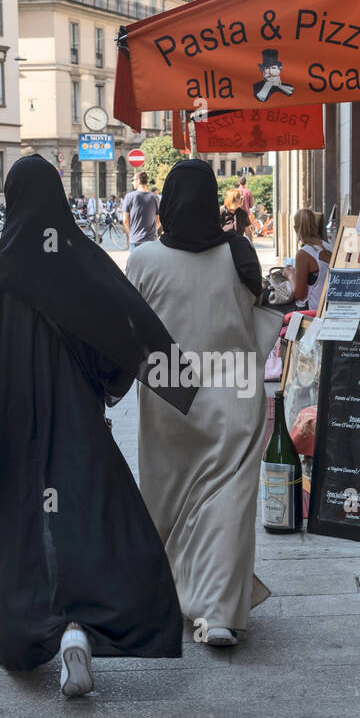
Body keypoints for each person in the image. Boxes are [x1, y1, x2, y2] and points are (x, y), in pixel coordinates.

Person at [0, 155, 196, 697]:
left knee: (17, 529)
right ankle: (78, 628)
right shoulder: (82, 263)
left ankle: (39, 630)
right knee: (88, 522)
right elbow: (127, 329)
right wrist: (146, 378)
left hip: (10, 435)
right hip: (76, 426)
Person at [126, 159, 268, 648]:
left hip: (169, 400)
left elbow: (127, 330)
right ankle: (219, 613)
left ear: (165, 205)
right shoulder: (239, 253)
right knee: (228, 502)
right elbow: (265, 303)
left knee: (169, 502)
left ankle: (173, 592)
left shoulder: (143, 260)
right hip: (235, 397)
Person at [291, 207, 331, 311]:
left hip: (313, 310)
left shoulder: (304, 254)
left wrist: (290, 275)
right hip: (327, 307)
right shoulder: (328, 247)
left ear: (295, 228)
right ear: (315, 225)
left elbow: (300, 294)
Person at [122, 171, 160, 252]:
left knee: (135, 264)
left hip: (136, 240)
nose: (132, 182)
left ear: (138, 181)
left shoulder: (129, 197)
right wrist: (151, 232)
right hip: (151, 241)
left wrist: (131, 234)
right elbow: (159, 222)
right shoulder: (155, 198)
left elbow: (125, 220)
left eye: (133, 180)